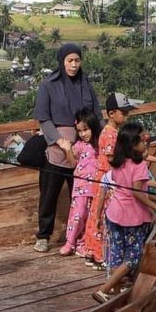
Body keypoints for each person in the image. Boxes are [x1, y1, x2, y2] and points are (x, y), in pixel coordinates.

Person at [91, 122, 156, 304]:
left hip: (114, 213)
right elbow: (138, 192)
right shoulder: (139, 166)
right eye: (143, 140)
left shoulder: (117, 162)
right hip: (132, 217)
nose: (146, 142)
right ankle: (103, 289)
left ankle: (115, 289)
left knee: (116, 253)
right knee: (132, 257)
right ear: (133, 144)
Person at [32, 43, 101, 253]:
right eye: (70, 61)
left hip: (84, 150)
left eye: (77, 61)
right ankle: (44, 235)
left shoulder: (85, 84)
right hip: (57, 147)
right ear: (62, 62)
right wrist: (58, 140)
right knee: (49, 194)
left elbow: (96, 115)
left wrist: (102, 139)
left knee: (81, 195)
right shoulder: (49, 85)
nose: (73, 65)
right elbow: (43, 117)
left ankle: (81, 238)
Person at [83, 92, 133, 269]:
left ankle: (91, 252)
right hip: (107, 179)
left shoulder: (111, 132)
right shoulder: (110, 134)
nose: (126, 116)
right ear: (112, 114)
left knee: (97, 213)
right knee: (102, 215)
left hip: (103, 178)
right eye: (124, 113)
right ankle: (98, 254)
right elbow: (112, 159)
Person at [59, 110, 101, 256]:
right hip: (81, 188)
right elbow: (72, 164)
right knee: (78, 214)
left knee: (90, 217)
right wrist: (67, 150)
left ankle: (82, 243)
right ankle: (70, 242)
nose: (83, 134)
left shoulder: (100, 145)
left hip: (96, 189)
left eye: (86, 129)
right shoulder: (79, 145)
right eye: (80, 131)